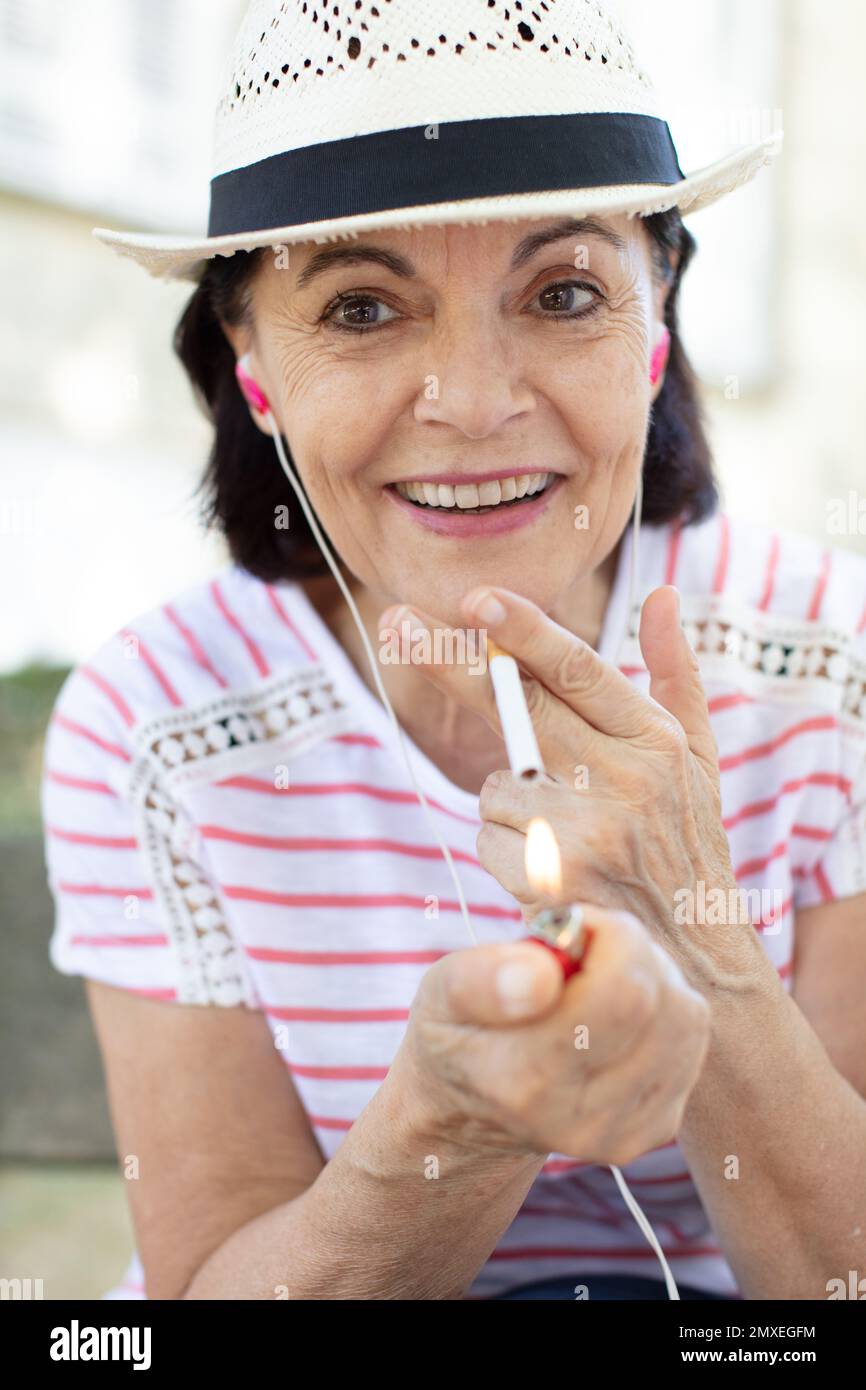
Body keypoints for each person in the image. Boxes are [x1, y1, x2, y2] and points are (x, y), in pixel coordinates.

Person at [42, 0, 866, 1301]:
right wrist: (446, 1123)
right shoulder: (156, 722)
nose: (475, 403)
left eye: (563, 293)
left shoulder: (831, 664)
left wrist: (691, 921)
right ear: (251, 359)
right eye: (363, 307)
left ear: (655, 320)